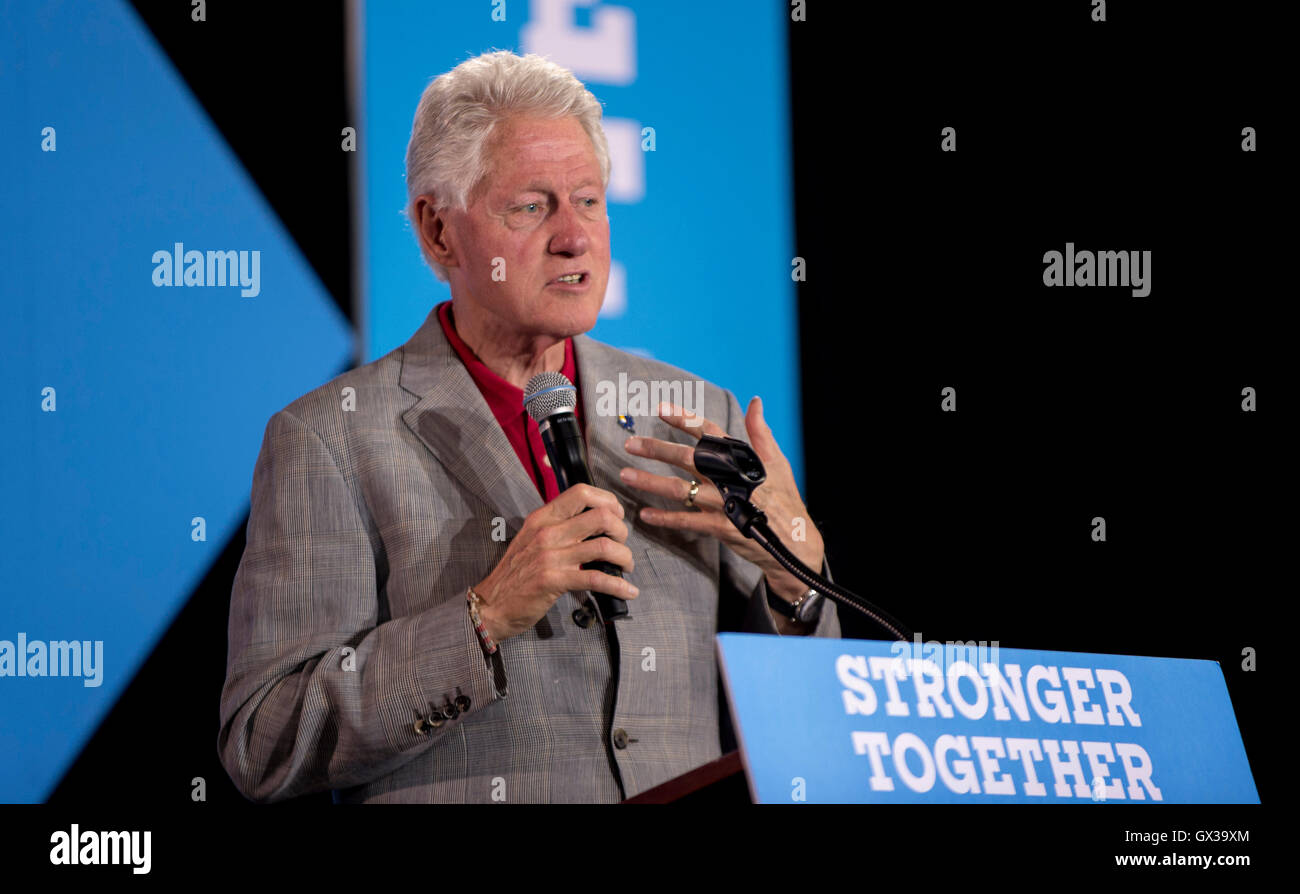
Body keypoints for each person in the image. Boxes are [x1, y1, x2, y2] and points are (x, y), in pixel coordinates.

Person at [218, 50, 839, 804]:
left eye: (589, 200)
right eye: (531, 206)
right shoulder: (331, 440)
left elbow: (804, 722)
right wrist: (480, 619)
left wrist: (797, 581)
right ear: (439, 232)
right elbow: (264, 741)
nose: (575, 237)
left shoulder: (692, 411)